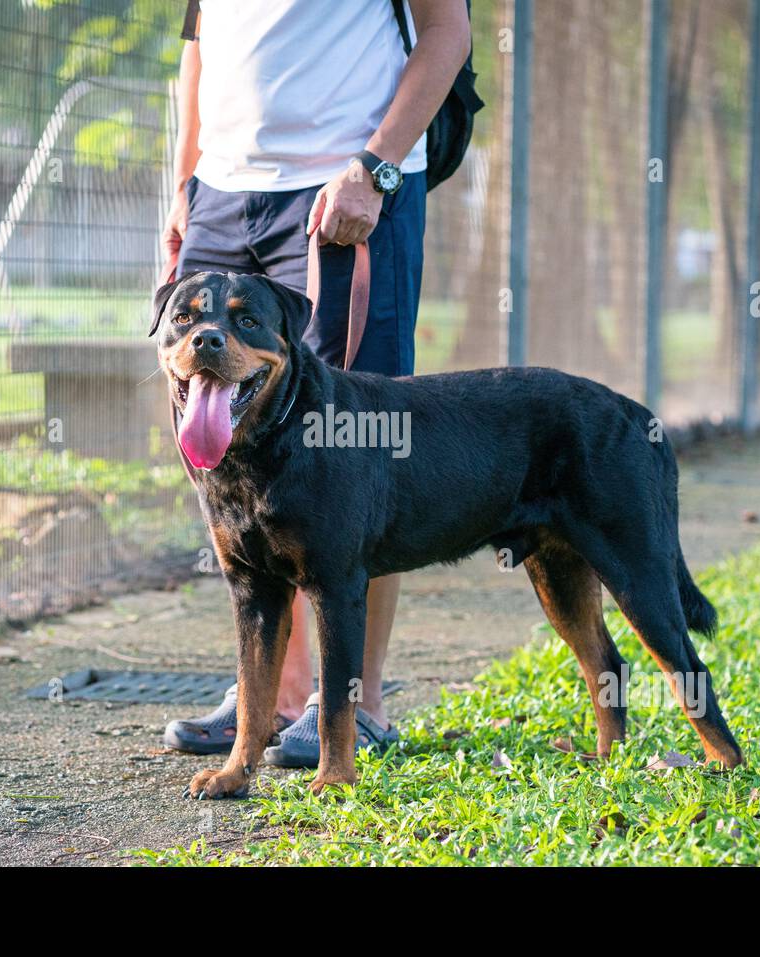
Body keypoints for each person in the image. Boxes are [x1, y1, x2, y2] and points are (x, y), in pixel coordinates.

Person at [161, 0, 471, 767]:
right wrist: (184, 182)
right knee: (217, 424)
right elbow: (199, 46)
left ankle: (356, 699)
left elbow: (447, 31)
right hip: (223, 193)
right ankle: (270, 696)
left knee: (355, 449)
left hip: (345, 185)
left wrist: (377, 167)